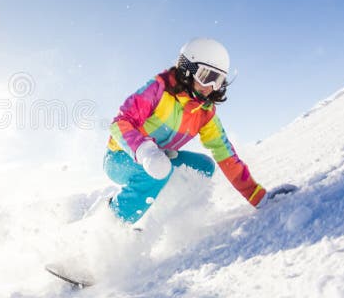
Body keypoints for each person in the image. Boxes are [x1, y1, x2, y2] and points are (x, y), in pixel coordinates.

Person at [105, 38, 266, 224]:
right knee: (158, 171)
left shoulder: (205, 112)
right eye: (206, 77)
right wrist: (145, 152)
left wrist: (258, 196)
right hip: (119, 156)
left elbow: (225, 154)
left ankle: (160, 220)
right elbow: (120, 122)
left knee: (203, 168)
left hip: (161, 158)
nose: (210, 87)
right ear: (187, 68)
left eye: (218, 80)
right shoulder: (159, 89)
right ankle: (114, 222)